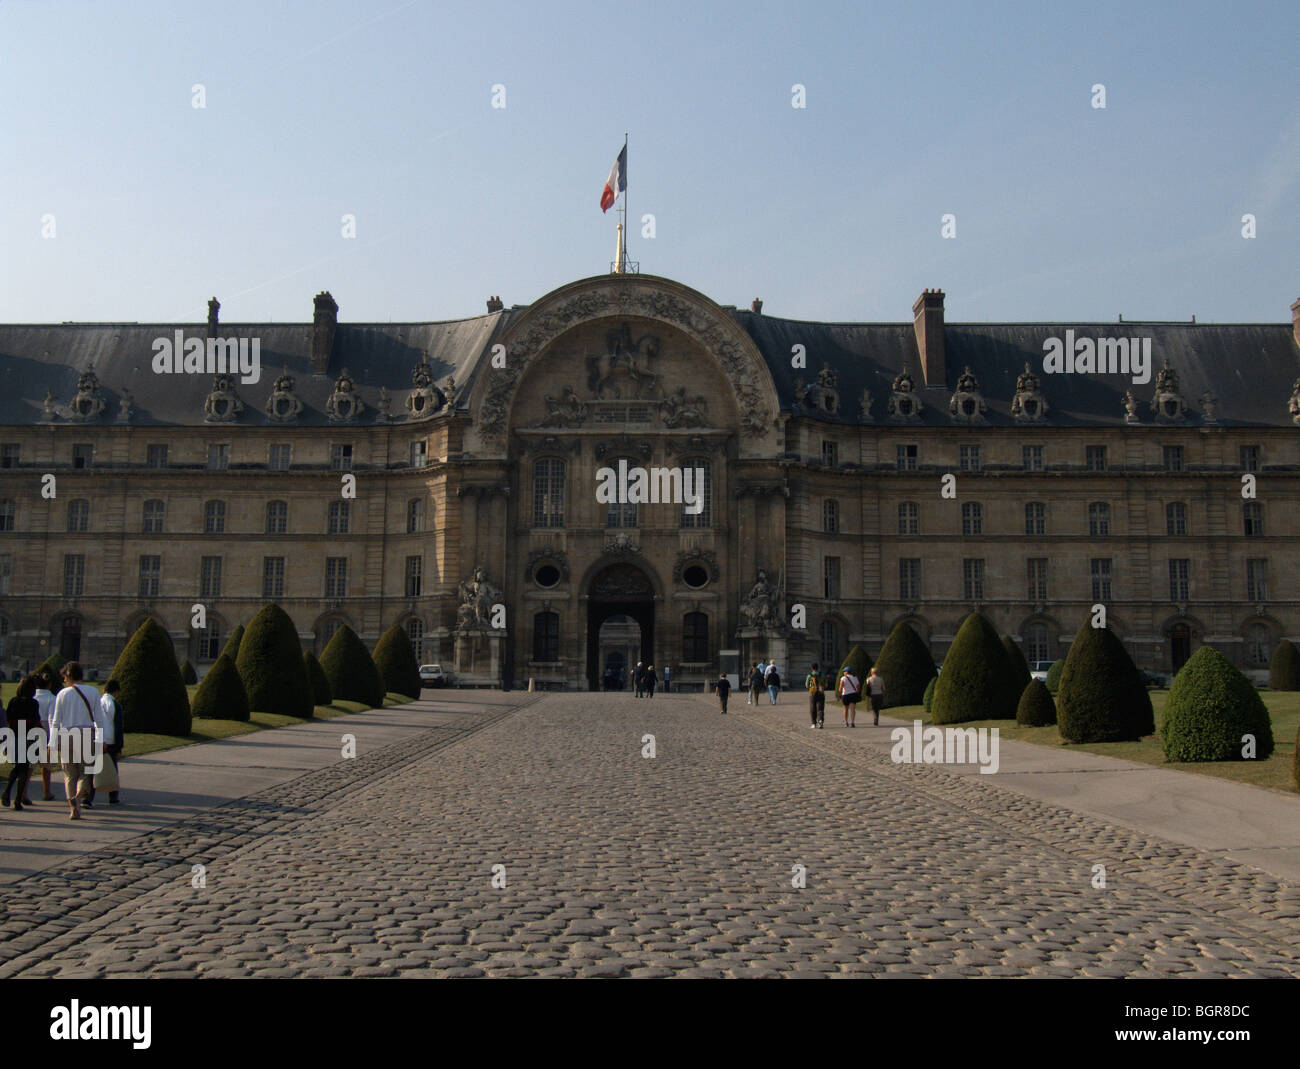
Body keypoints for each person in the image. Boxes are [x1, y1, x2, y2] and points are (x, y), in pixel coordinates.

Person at [48, 661, 99, 820]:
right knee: (86, 771)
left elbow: (56, 721)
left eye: (64, 677)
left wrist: (52, 743)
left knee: (69, 774)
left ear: (69, 676)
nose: (63, 680)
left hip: (67, 734)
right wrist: (102, 739)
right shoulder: (93, 691)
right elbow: (99, 719)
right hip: (86, 733)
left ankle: (72, 807)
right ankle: (78, 797)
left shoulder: (62, 694)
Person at [2, 675, 39, 810]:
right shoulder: (33, 703)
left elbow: (9, 719)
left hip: (14, 736)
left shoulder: (13, 701)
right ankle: (16, 799)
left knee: (18, 766)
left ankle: (7, 793)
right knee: (23, 768)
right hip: (27, 737)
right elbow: (36, 721)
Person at [90, 678, 125, 806]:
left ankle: (88, 798)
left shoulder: (96, 703)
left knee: (93, 769)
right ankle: (113, 796)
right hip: (111, 741)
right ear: (116, 692)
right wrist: (119, 747)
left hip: (97, 739)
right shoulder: (115, 705)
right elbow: (118, 727)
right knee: (112, 769)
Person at [33, 671, 57, 801]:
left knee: (29, 765)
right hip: (46, 730)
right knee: (46, 766)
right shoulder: (52, 698)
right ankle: (46, 792)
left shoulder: (32, 697)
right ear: (49, 684)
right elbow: (52, 719)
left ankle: (24, 792)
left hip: (33, 729)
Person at [804, 662, 826, 729]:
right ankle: (820, 720)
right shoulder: (821, 674)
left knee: (813, 708)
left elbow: (807, 685)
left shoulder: (809, 675)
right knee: (820, 708)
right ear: (818, 668)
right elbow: (825, 684)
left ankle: (814, 723)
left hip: (812, 693)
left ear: (812, 668)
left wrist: (811, 688)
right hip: (821, 693)